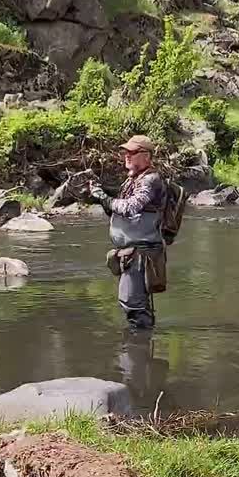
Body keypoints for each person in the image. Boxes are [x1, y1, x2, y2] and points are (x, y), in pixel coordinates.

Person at [89, 135, 167, 331]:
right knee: (135, 304)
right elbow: (119, 208)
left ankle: (137, 352)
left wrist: (104, 198)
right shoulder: (132, 179)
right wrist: (100, 196)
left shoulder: (150, 180)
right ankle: (141, 350)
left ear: (146, 156)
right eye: (125, 152)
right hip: (133, 252)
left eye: (132, 152)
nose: (126, 156)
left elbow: (131, 207)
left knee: (133, 304)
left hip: (142, 253)